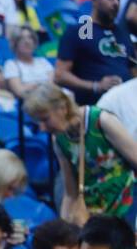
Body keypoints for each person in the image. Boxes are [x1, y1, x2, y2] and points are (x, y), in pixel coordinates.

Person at [24, 82, 137, 225]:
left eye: (45, 119)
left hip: (126, 204)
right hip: (94, 213)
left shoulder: (101, 120)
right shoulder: (59, 140)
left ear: (63, 108)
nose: (42, 128)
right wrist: (65, 229)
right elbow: (70, 193)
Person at [54, 0, 132, 106]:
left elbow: (133, 71)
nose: (116, 3)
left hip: (126, 107)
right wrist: (96, 86)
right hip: (93, 109)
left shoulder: (123, 33)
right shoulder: (80, 31)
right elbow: (60, 75)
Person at [3, 25, 54, 100]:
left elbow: (52, 86)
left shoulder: (43, 61)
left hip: (49, 99)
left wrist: (30, 86)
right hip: (29, 103)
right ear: (15, 43)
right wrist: (41, 85)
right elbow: (20, 91)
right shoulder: (11, 65)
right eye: (21, 38)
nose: (27, 41)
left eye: (30, 37)